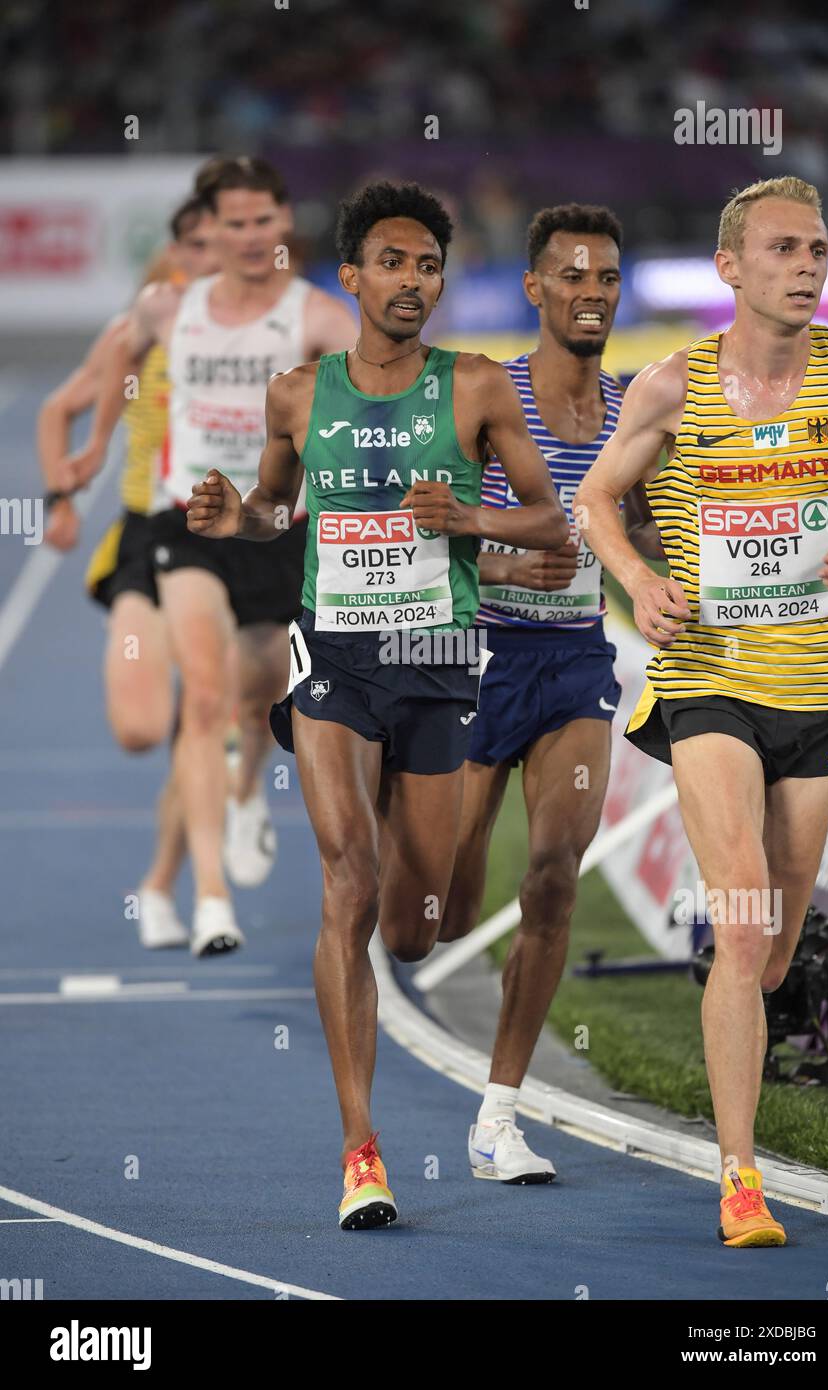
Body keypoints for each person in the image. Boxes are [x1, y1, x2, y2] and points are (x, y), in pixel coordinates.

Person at [185, 180, 570, 1228]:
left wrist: (469, 515)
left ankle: (414, 926)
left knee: (412, 926)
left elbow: (551, 527)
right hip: (336, 663)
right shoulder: (298, 394)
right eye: (392, 263)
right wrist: (235, 513)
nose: (413, 281)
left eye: (429, 265)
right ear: (349, 275)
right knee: (344, 882)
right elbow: (275, 511)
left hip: (439, 658)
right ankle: (361, 1150)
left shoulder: (478, 386)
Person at [576, 176, 828, 1247]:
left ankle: (737, 982)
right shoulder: (668, 385)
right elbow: (595, 497)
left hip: (823, 685)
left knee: (771, 947)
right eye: (782, 247)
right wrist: (634, 584)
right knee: (741, 914)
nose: (805, 264)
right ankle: (738, 1177)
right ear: (729, 268)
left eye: (817, 248)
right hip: (707, 679)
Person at [67, 156, 357, 955]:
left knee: (260, 694)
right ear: (214, 229)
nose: (249, 235)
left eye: (264, 220)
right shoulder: (169, 307)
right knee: (201, 699)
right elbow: (114, 360)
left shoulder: (316, 317)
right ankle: (213, 901)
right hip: (187, 524)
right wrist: (93, 448)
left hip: (273, 525)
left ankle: (243, 794)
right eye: (233, 223)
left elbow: (392, 378)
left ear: (282, 222)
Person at [438, 203, 662, 1183]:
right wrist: (495, 565)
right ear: (533, 289)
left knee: (554, 874)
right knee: (439, 913)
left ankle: (496, 1117)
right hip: (479, 656)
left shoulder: (632, 410)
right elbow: (423, 533)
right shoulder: (488, 399)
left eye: (605, 277)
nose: (589, 292)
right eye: (570, 276)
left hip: (573, 661)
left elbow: (645, 540)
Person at [39, 195, 219, 947]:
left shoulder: (260, 337)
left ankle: (174, 884)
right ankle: (159, 879)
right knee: (145, 728)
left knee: (204, 718)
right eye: (197, 250)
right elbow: (58, 409)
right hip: (146, 538)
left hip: (227, 539)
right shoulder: (140, 331)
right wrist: (61, 497)